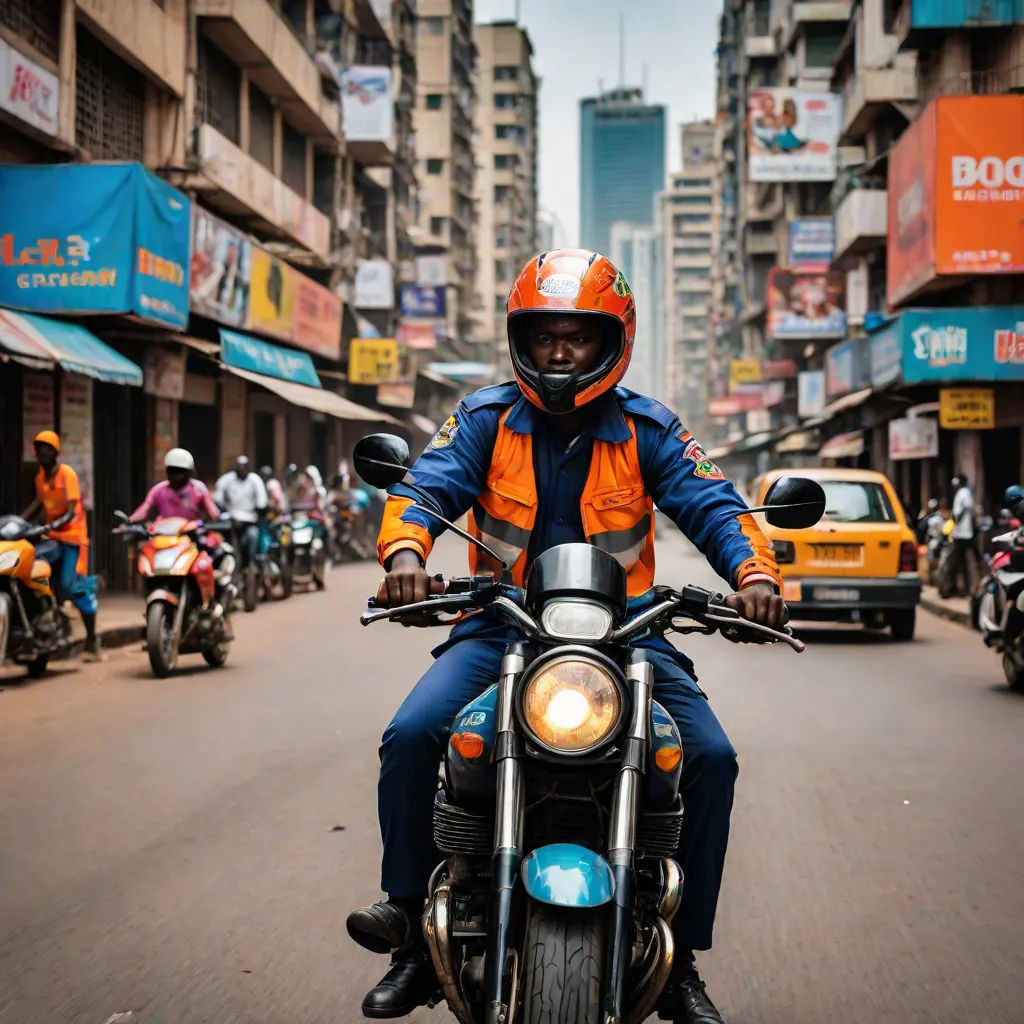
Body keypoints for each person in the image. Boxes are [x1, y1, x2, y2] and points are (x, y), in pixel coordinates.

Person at [346, 249, 786, 1022]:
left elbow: (715, 504)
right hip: (502, 626)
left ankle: (682, 960)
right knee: (411, 733)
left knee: (711, 757)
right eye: (544, 335)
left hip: (630, 636)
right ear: (520, 338)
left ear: (612, 341)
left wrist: (754, 578)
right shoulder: (484, 420)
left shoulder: (649, 428)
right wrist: (408, 555)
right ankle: (412, 933)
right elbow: (426, 487)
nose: (558, 352)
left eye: (576, 338)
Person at [21, 430, 100, 659]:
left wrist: (51, 525)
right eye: (38, 448)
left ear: (55, 451)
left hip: (72, 538)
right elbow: (39, 503)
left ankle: (91, 638)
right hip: (51, 538)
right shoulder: (39, 478)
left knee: (69, 585)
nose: (42, 452)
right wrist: (19, 522)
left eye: (46, 448)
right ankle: (51, 618)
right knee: (37, 575)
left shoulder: (67, 474)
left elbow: (71, 510)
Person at [130, 448, 222, 524]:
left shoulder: (198, 488)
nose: (176, 476)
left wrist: (216, 518)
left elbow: (212, 512)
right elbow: (145, 509)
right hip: (164, 537)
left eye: (180, 471)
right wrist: (130, 521)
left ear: (190, 473)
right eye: (172, 471)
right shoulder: (159, 489)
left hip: (191, 537)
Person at [214, 456, 267, 566]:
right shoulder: (227, 479)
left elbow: (262, 501)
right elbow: (219, 497)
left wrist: (259, 510)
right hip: (231, 520)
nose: (242, 471)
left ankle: (250, 563)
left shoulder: (255, 480)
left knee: (253, 537)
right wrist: (222, 508)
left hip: (250, 520)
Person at [948, 474, 978, 596]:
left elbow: (966, 507)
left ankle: (959, 588)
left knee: (959, 561)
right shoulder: (963, 492)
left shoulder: (964, 492)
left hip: (963, 533)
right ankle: (960, 588)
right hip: (961, 532)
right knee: (961, 561)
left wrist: (957, 518)